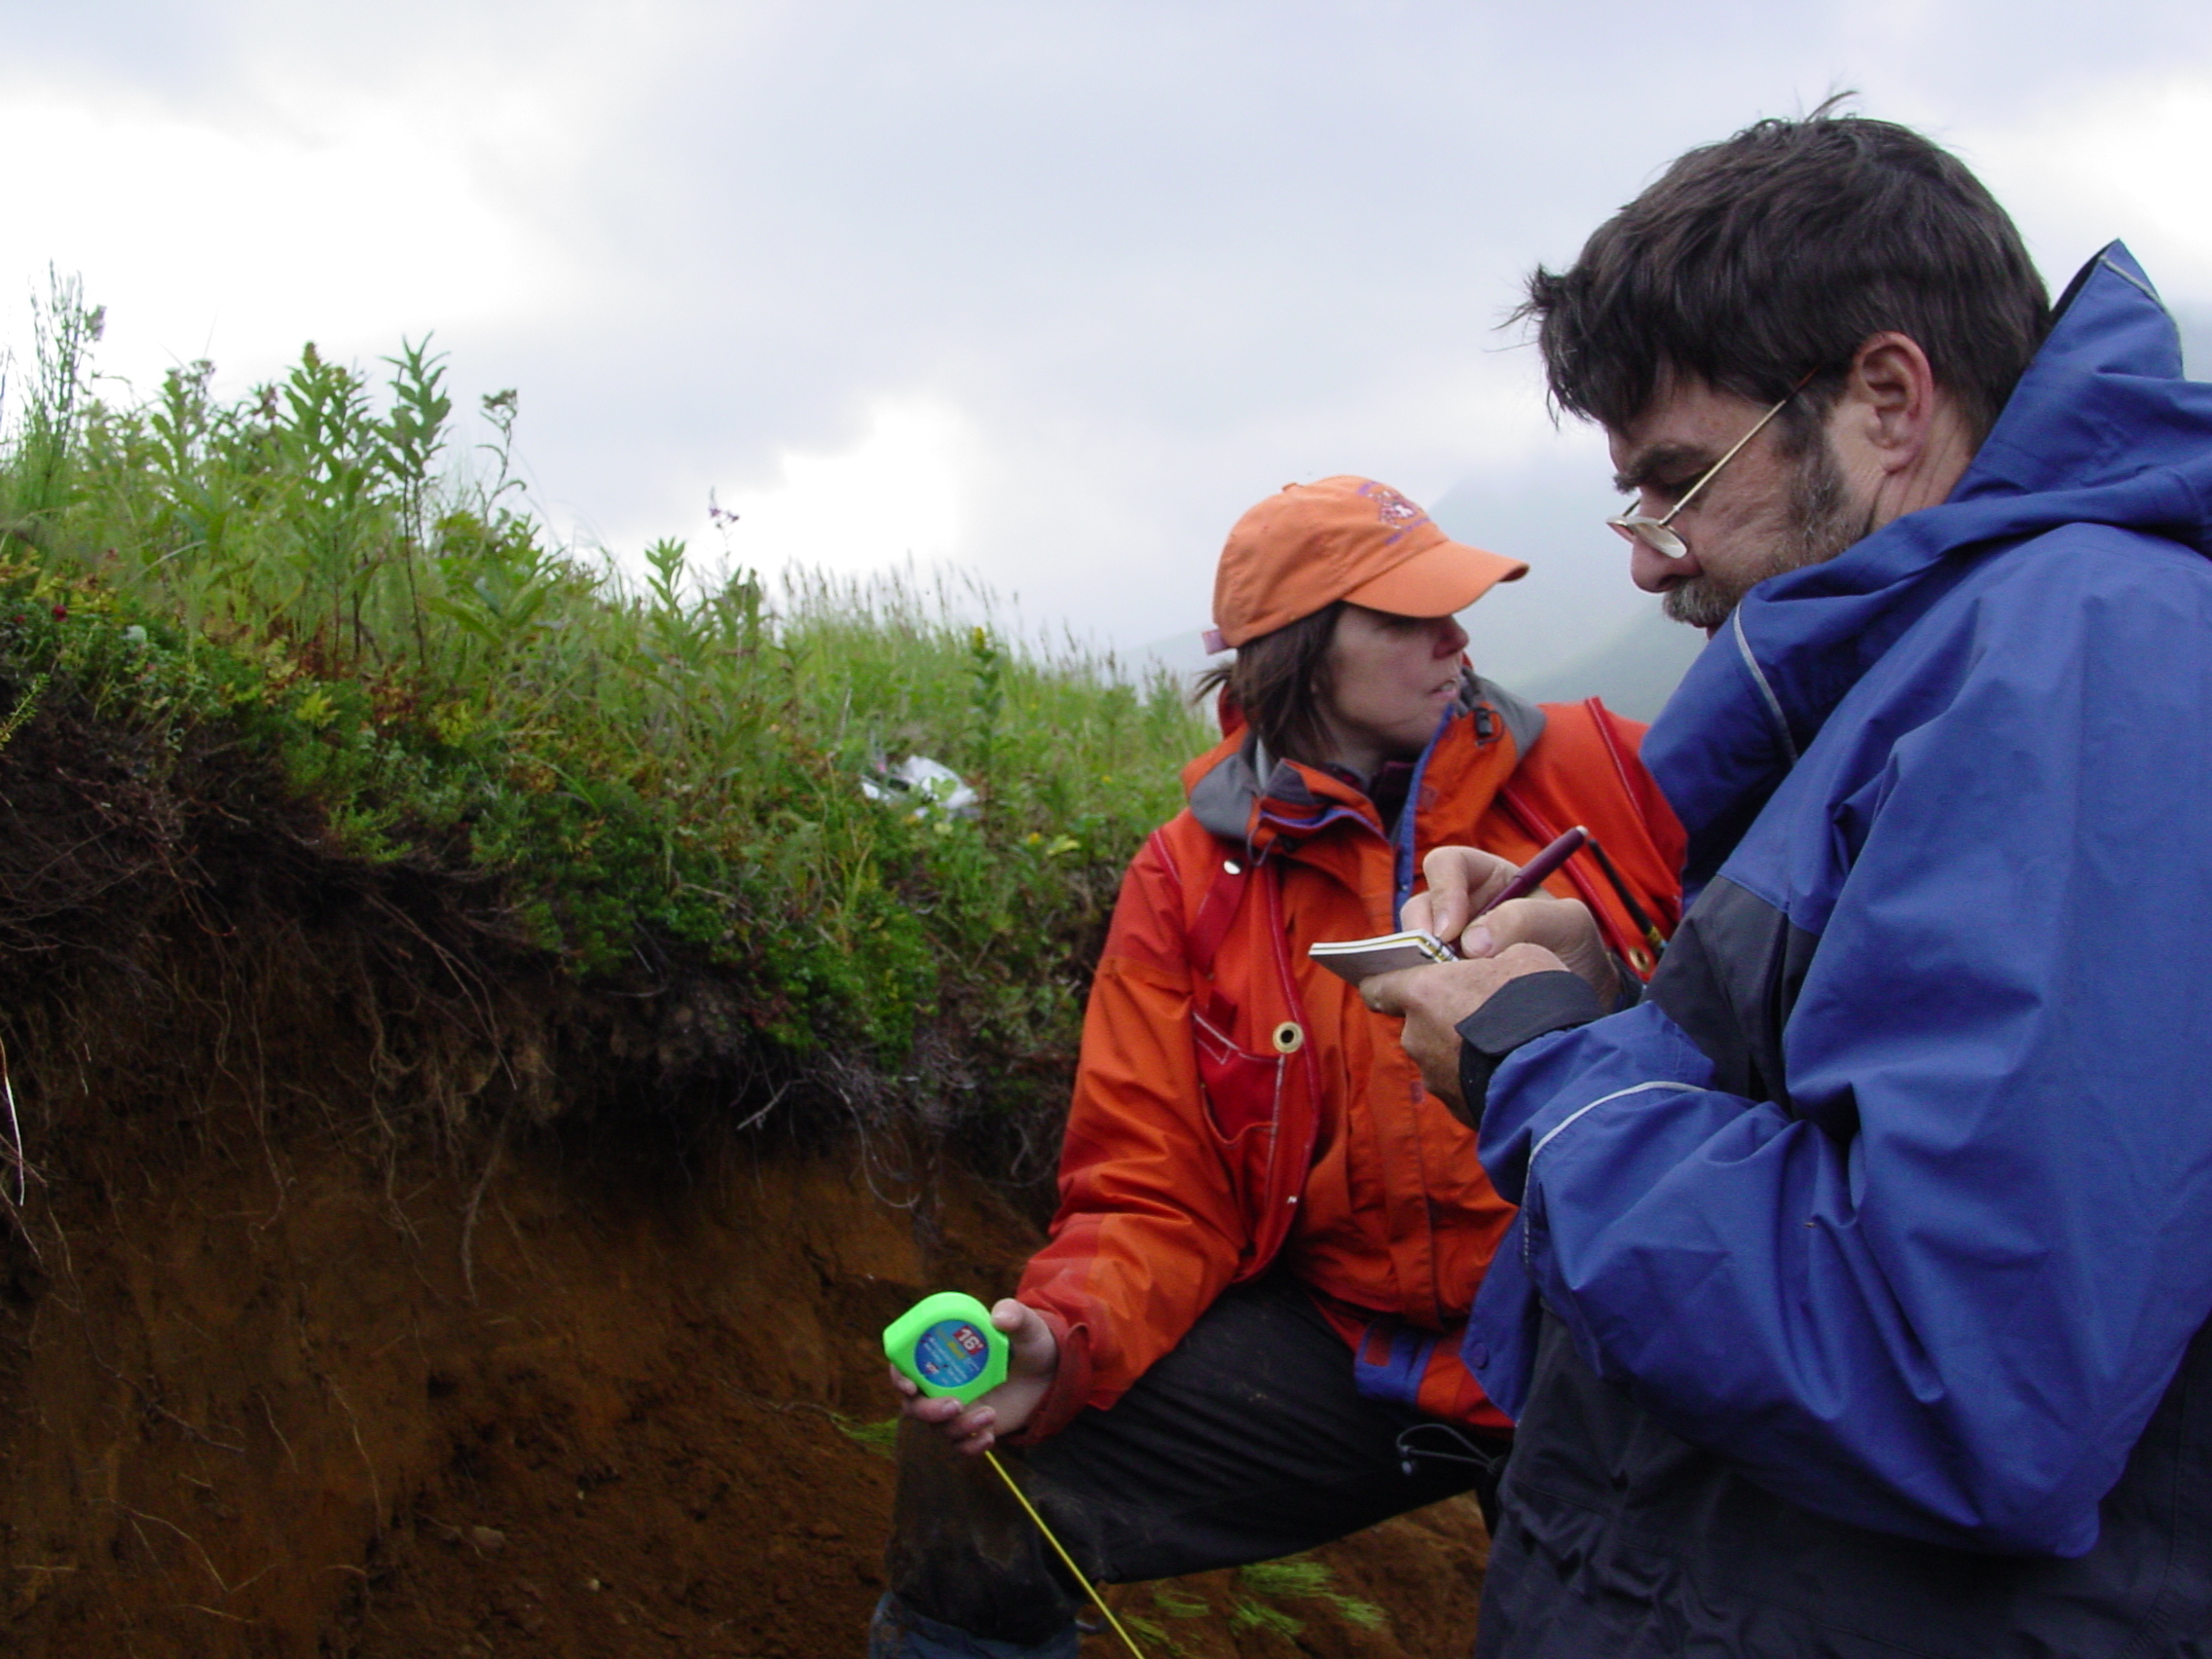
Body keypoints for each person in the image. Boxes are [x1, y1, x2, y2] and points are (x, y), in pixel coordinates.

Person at [1366, 110, 2212, 1656]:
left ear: (1889, 399)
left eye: (1681, 480)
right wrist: (1619, 1003)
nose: (1649, 556)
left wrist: (1544, 1067)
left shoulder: (2086, 657)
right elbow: (1885, 1104)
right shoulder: (1952, 658)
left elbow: (1958, 1369)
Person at [869, 475, 1683, 1659]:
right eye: (1405, 618)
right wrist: (1058, 1336)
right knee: (983, 1473)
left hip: (1604, 1341)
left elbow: (1779, 990)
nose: (1454, 637)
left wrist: (1613, 972)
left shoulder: (1608, 770)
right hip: (1351, 1347)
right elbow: (1151, 1183)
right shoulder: (1186, 877)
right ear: (1297, 652)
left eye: (1454, 607)